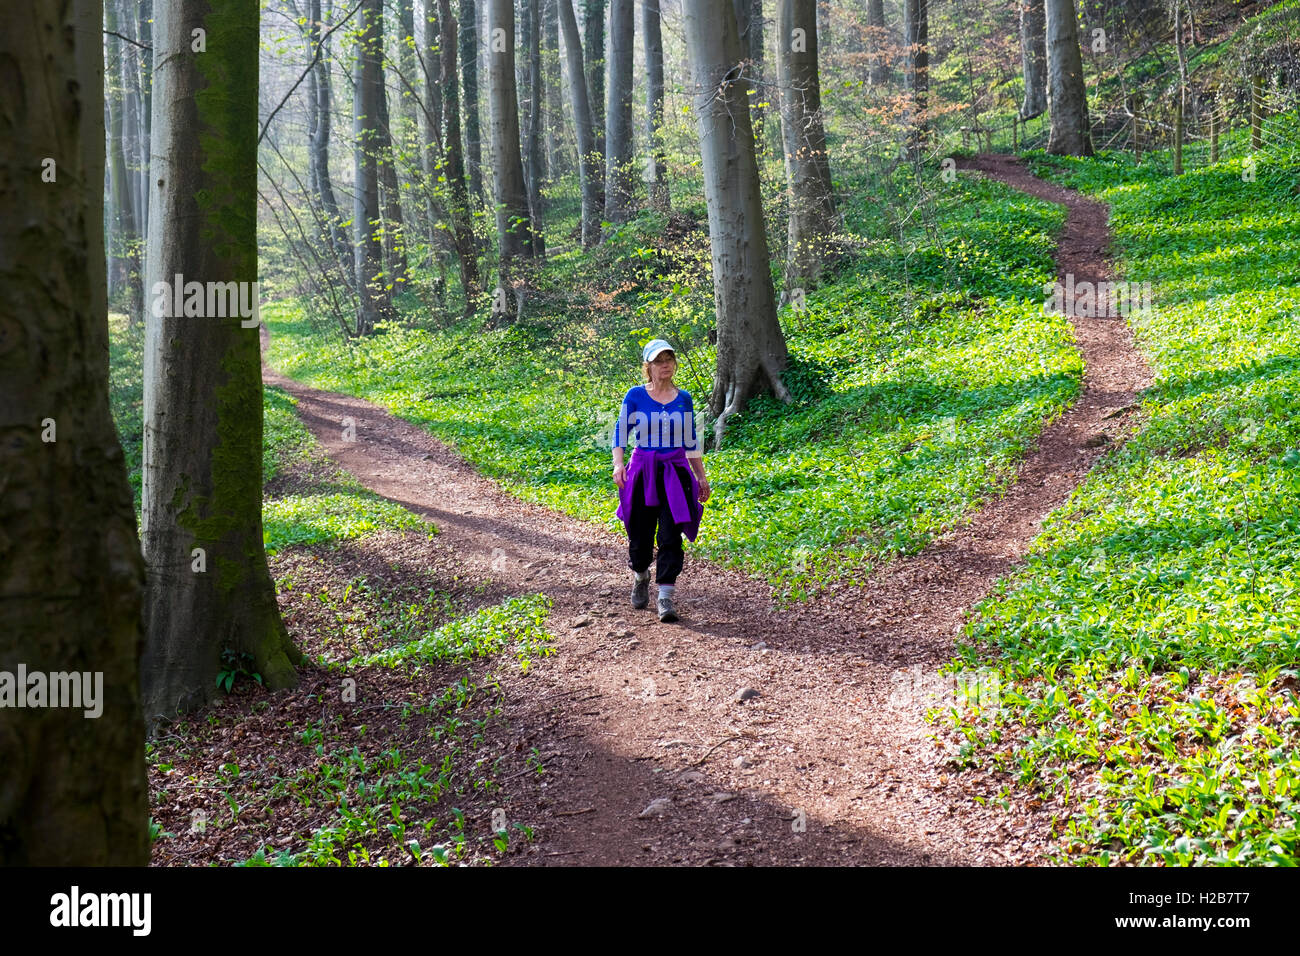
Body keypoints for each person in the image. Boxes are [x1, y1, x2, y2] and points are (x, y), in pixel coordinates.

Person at [612, 339, 711, 623]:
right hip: (642, 471)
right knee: (640, 533)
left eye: (669, 358)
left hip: (675, 472)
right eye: (658, 360)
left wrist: (701, 477)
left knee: (670, 534)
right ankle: (641, 574)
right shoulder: (635, 396)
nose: (665, 364)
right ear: (648, 367)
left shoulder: (684, 398)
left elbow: (691, 439)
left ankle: (665, 596)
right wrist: (619, 464)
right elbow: (620, 434)